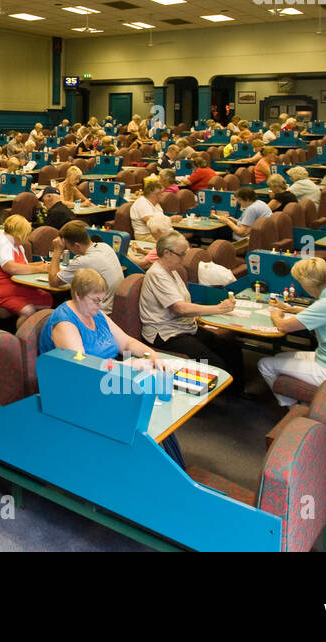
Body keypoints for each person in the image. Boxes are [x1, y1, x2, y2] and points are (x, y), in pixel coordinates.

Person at [39, 269, 183, 467]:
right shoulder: (65, 323)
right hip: (77, 390)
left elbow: (127, 343)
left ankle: (166, 468)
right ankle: (144, 467)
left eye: (102, 300)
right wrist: (126, 366)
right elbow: (83, 368)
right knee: (144, 411)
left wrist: (152, 356)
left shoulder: (96, 314)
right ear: (78, 295)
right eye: (95, 300)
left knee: (154, 411)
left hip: (106, 378)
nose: (100, 306)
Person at [138, 232, 248, 395]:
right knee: (213, 361)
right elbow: (180, 308)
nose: (184, 259)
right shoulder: (157, 274)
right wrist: (218, 309)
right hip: (165, 333)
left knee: (231, 348)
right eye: (181, 254)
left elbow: (184, 306)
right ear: (167, 253)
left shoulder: (172, 270)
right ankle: (207, 403)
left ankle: (236, 394)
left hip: (183, 327)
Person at [259, 257, 326, 406]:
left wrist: (275, 315)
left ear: (307, 284)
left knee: (265, 364)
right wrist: (291, 309)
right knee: (279, 356)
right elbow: (322, 313)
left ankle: (292, 408)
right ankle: (302, 400)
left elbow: (284, 326)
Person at [0, 215, 52, 317]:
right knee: (28, 310)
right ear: (20, 233)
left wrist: (41, 264)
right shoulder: (1, 242)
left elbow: (22, 267)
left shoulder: (17, 245)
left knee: (47, 299)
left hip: (11, 287)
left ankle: (38, 327)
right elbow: (12, 268)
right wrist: (40, 268)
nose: (28, 237)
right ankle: (24, 332)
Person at [47, 221, 122, 312]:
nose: (68, 250)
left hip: (99, 312)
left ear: (76, 246)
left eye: (67, 247)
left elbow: (53, 281)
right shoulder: (105, 247)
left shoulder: (83, 262)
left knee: (58, 304)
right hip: (113, 307)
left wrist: (57, 250)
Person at [130, 177, 165, 242]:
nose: (162, 195)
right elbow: (151, 223)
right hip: (145, 236)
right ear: (152, 195)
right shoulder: (142, 203)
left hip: (157, 234)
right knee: (171, 244)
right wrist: (170, 220)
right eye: (160, 193)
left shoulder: (156, 204)